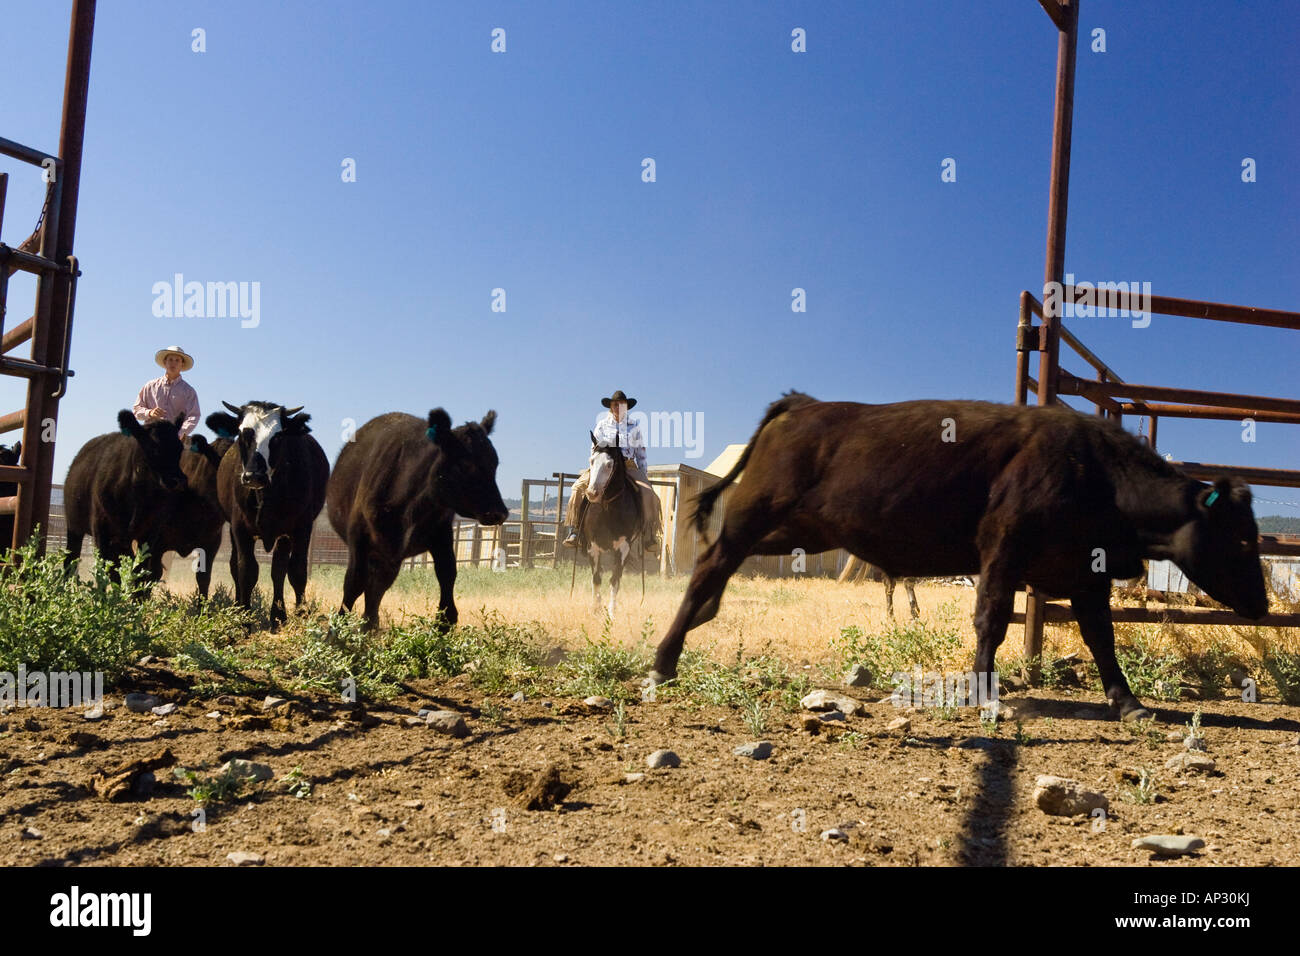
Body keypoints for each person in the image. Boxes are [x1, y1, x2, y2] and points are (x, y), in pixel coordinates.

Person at [562, 389, 661, 554]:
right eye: (615, 404)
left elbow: (641, 454)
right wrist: (595, 467)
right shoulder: (601, 425)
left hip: (628, 465)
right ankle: (575, 531)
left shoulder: (634, 427)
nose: (618, 407)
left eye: (622, 404)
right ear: (610, 407)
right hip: (603, 464)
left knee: (649, 493)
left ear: (627, 407)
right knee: (577, 488)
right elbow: (594, 450)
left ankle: (648, 535)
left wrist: (644, 476)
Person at [133, 345, 200, 445]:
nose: (173, 363)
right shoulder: (150, 386)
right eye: (170, 360)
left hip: (175, 441)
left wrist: (178, 433)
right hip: (149, 437)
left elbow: (193, 416)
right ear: (165, 362)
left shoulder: (188, 391)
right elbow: (136, 410)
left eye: (177, 360)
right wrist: (149, 413)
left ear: (182, 364)